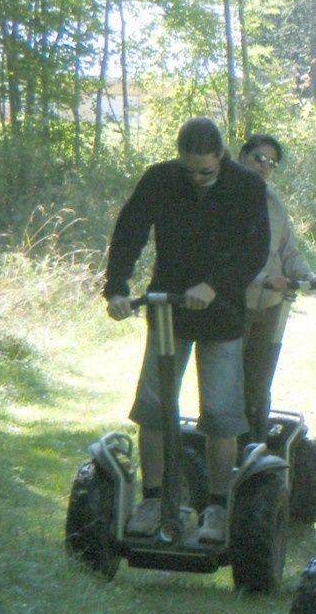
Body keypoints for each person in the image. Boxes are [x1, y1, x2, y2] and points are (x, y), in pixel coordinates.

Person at [104, 117, 269, 543]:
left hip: (223, 313)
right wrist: (118, 287)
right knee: (154, 407)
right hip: (167, 310)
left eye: (206, 171)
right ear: (179, 159)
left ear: (222, 157)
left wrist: (214, 286)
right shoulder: (160, 181)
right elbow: (129, 232)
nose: (197, 179)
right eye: (190, 170)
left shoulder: (247, 187)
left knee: (219, 412)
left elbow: (255, 251)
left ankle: (216, 506)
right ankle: (154, 498)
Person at [237, 132, 316, 443]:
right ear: (242, 156)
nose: (265, 167)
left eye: (272, 163)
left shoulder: (274, 202)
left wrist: (311, 277)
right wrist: (262, 278)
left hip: (272, 307)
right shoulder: (225, 198)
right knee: (228, 387)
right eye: (259, 159)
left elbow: (288, 251)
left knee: (259, 385)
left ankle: (255, 448)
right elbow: (225, 255)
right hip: (234, 305)